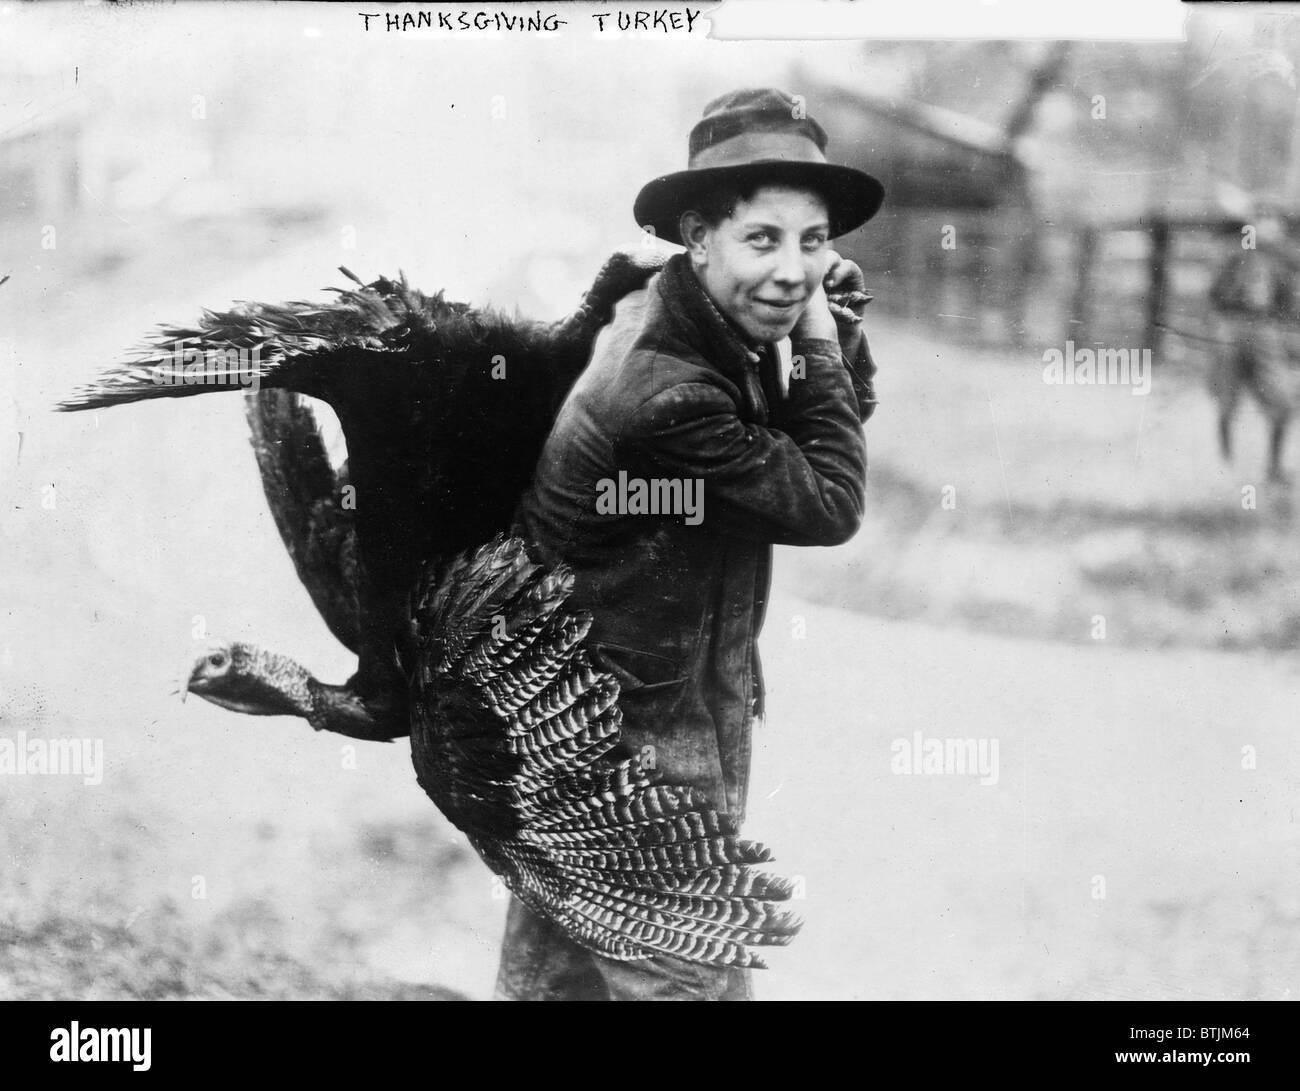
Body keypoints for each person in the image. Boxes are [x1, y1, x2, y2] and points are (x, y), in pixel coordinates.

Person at [498, 88, 885, 1000]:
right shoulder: (665, 385)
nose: (794, 271)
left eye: (814, 239)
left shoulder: (685, 318)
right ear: (698, 236)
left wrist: (840, 339)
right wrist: (825, 342)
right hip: (631, 754)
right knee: (689, 987)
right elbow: (827, 499)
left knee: (563, 989)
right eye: (763, 239)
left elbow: (817, 436)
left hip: (599, 716)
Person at [1208, 211, 1300, 481]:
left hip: (1265, 332)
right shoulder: (1234, 256)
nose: (1272, 230)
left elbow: (1287, 304)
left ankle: (1273, 467)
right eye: (1265, 223)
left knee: (1283, 402)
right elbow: (1215, 295)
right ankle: (1226, 467)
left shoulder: (1280, 263)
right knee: (1227, 403)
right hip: (1232, 329)